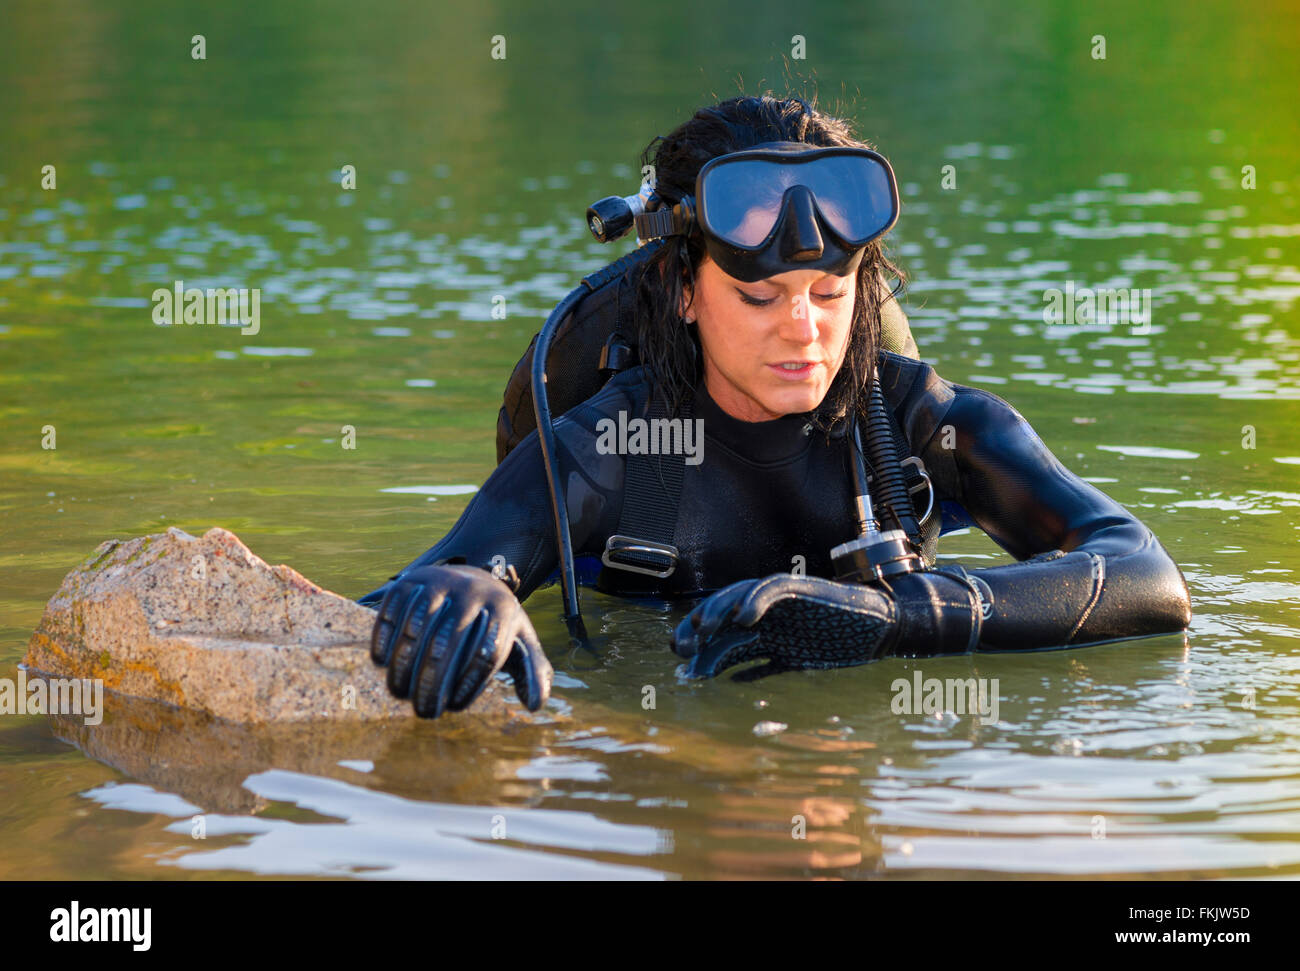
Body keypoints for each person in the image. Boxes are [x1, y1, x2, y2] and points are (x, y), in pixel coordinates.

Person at [361, 95, 1192, 720]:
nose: (804, 331)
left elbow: (1148, 579)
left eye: (829, 292)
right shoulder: (617, 446)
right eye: (760, 298)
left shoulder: (914, 431)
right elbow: (452, 574)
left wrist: (897, 617)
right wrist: (476, 589)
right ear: (681, 289)